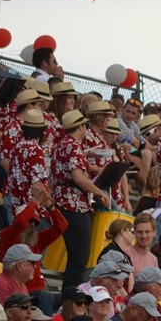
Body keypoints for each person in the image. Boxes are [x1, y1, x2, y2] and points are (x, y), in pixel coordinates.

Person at [51, 111, 110, 290]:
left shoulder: (61, 145)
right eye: (85, 125)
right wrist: (100, 193)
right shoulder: (73, 147)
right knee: (79, 258)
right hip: (74, 205)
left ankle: (70, 298)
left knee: (75, 257)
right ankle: (71, 298)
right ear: (80, 127)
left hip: (63, 202)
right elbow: (78, 177)